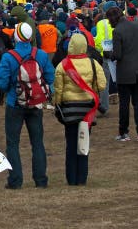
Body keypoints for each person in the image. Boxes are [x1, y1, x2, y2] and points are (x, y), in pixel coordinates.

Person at [0, 22, 54, 190]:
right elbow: (50, 77)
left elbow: (0, 82)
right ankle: (41, 179)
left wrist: (11, 91)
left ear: (16, 37)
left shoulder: (8, 57)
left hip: (15, 103)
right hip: (36, 103)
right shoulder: (40, 55)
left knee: (13, 143)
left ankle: (15, 180)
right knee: (37, 142)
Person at [52, 33, 106, 185]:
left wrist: (57, 104)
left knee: (70, 144)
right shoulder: (93, 63)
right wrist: (92, 90)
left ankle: (72, 178)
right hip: (87, 110)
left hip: (69, 110)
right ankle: (82, 178)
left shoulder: (62, 65)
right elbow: (102, 85)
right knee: (84, 144)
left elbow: (58, 90)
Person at [107, 7, 138, 142]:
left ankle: (124, 133)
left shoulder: (117, 31)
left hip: (125, 71)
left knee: (124, 103)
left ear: (112, 19)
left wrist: (107, 54)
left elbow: (117, 55)